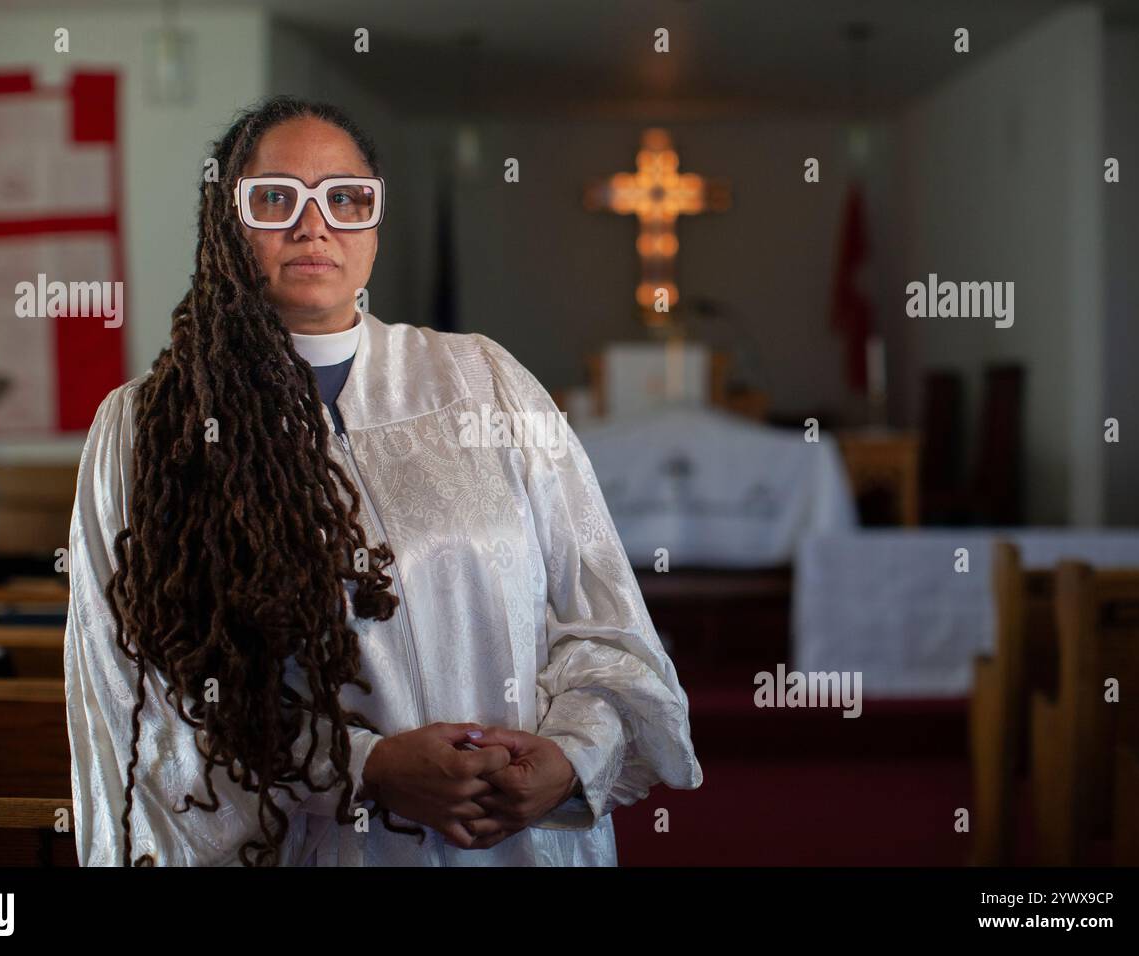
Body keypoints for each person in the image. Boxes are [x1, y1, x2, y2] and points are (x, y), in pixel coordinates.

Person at [63, 96, 702, 866]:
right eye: (274, 197)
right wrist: (365, 768)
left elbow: (602, 623)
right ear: (225, 220)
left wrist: (570, 757)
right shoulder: (147, 427)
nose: (312, 224)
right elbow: (142, 693)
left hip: (518, 843)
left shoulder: (484, 382)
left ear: (374, 221)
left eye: (346, 197)